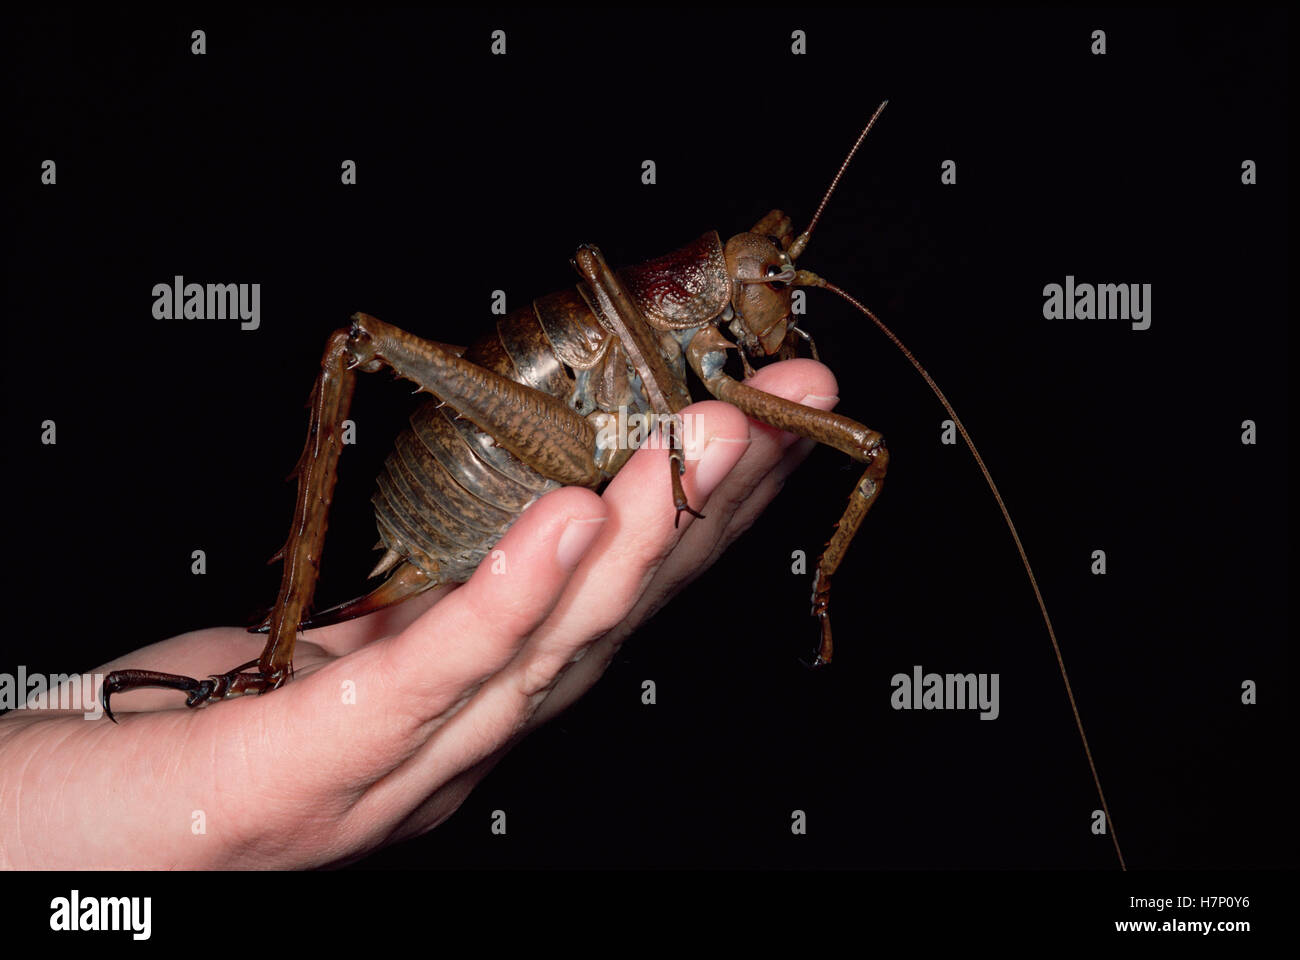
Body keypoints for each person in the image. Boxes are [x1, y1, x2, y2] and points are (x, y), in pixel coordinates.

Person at [0, 360, 840, 869]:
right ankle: (274, 650)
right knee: (359, 339)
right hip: (488, 474)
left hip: (565, 447)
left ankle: (277, 642)